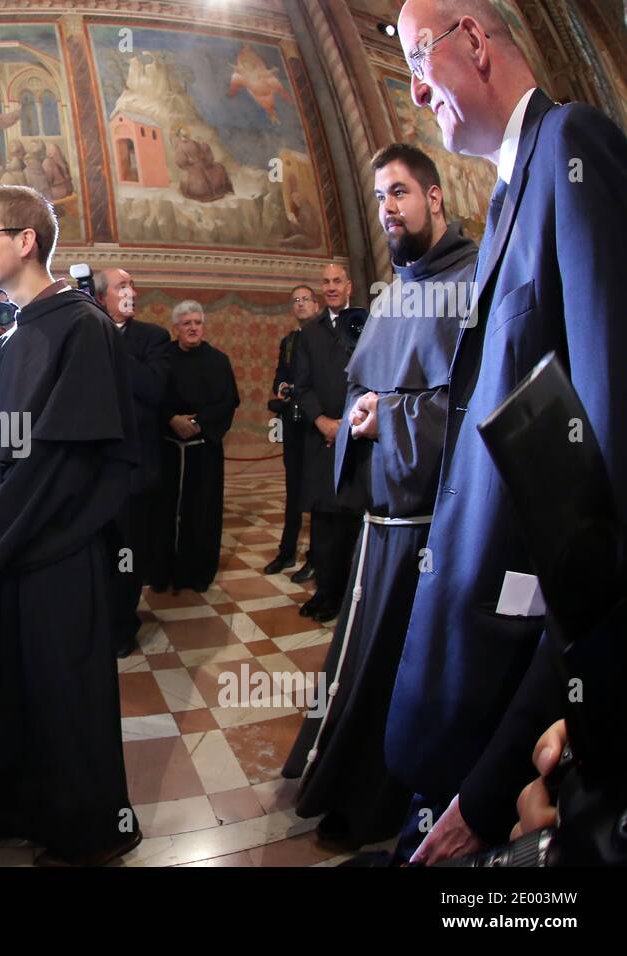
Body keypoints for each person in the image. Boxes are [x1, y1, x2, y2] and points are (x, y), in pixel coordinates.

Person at [387, 0, 627, 864]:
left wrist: (510, 762)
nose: (415, 91)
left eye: (419, 58)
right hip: (483, 628)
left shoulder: (573, 146)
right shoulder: (513, 193)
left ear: (475, 40)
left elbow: (610, 453)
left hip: (531, 645)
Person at [0, 184, 139, 866]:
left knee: (55, 697)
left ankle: (73, 828)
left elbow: (60, 466)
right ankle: (0, 807)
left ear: (25, 241)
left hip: (46, 549)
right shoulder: (12, 330)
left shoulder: (82, 328)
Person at [282, 143, 477, 845]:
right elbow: (366, 382)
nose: (389, 208)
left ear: (434, 199)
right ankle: (338, 769)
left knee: (403, 670)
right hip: (381, 519)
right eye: (379, 197)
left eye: (400, 192)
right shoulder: (398, 290)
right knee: (361, 659)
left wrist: (383, 417)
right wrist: (367, 406)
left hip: (432, 526)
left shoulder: (473, 279)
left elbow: (476, 404)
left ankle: (376, 801)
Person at [96, 267, 168, 657]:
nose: (131, 291)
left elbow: (154, 390)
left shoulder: (151, 338)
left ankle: (122, 627)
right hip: (88, 471)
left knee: (126, 555)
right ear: (101, 297)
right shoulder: (80, 337)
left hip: (133, 471)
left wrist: (109, 340)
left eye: (132, 284)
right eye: (122, 285)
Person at [150, 301, 239, 593]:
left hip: (204, 451)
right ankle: (163, 572)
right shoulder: (161, 358)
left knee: (202, 513)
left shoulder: (219, 360)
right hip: (168, 449)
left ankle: (199, 573)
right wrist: (171, 419)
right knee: (163, 513)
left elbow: (228, 402)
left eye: (197, 322)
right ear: (175, 328)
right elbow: (151, 397)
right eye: (186, 323)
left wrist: (198, 423)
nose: (192, 328)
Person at [292, 263, 361, 622]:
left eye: (337, 281)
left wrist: (346, 425)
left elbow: (372, 378)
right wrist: (322, 422)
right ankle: (325, 592)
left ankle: (347, 596)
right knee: (322, 522)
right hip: (321, 440)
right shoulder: (309, 333)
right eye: (326, 282)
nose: (331, 287)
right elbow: (301, 385)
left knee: (349, 521)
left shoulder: (367, 324)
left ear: (349, 285)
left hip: (356, 436)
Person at [263, 285, 318, 578]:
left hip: (317, 425)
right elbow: (279, 376)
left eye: (305, 299)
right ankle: (286, 553)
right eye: (295, 300)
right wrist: (281, 387)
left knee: (318, 494)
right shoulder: (289, 341)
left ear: (315, 304)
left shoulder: (326, 337)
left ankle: (316, 557)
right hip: (293, 423)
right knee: (294, 490)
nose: (300, 305)